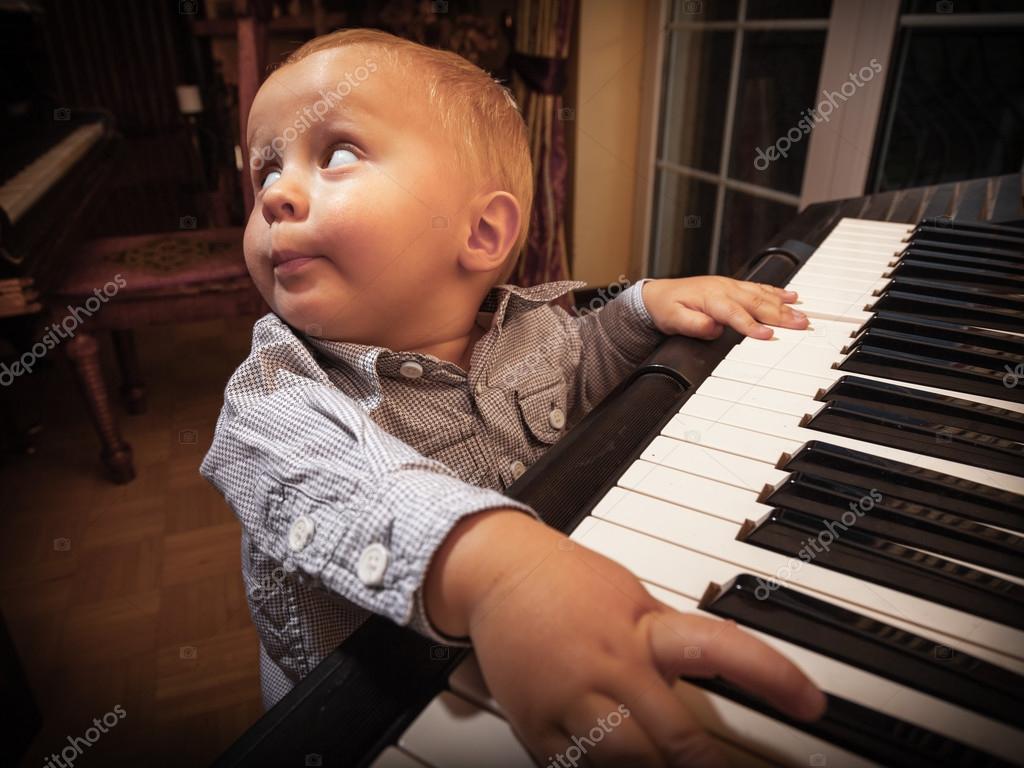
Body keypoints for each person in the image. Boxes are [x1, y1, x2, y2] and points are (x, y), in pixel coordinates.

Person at [201, 28, 823, 767]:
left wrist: (644, 305)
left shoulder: (529, 330)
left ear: (483, 231)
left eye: (336, 154)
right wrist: (503, 573)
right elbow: (340, 485)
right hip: (365, 724)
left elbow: (581, 364)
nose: (275, 193)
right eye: (265, 168)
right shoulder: (271, 397)